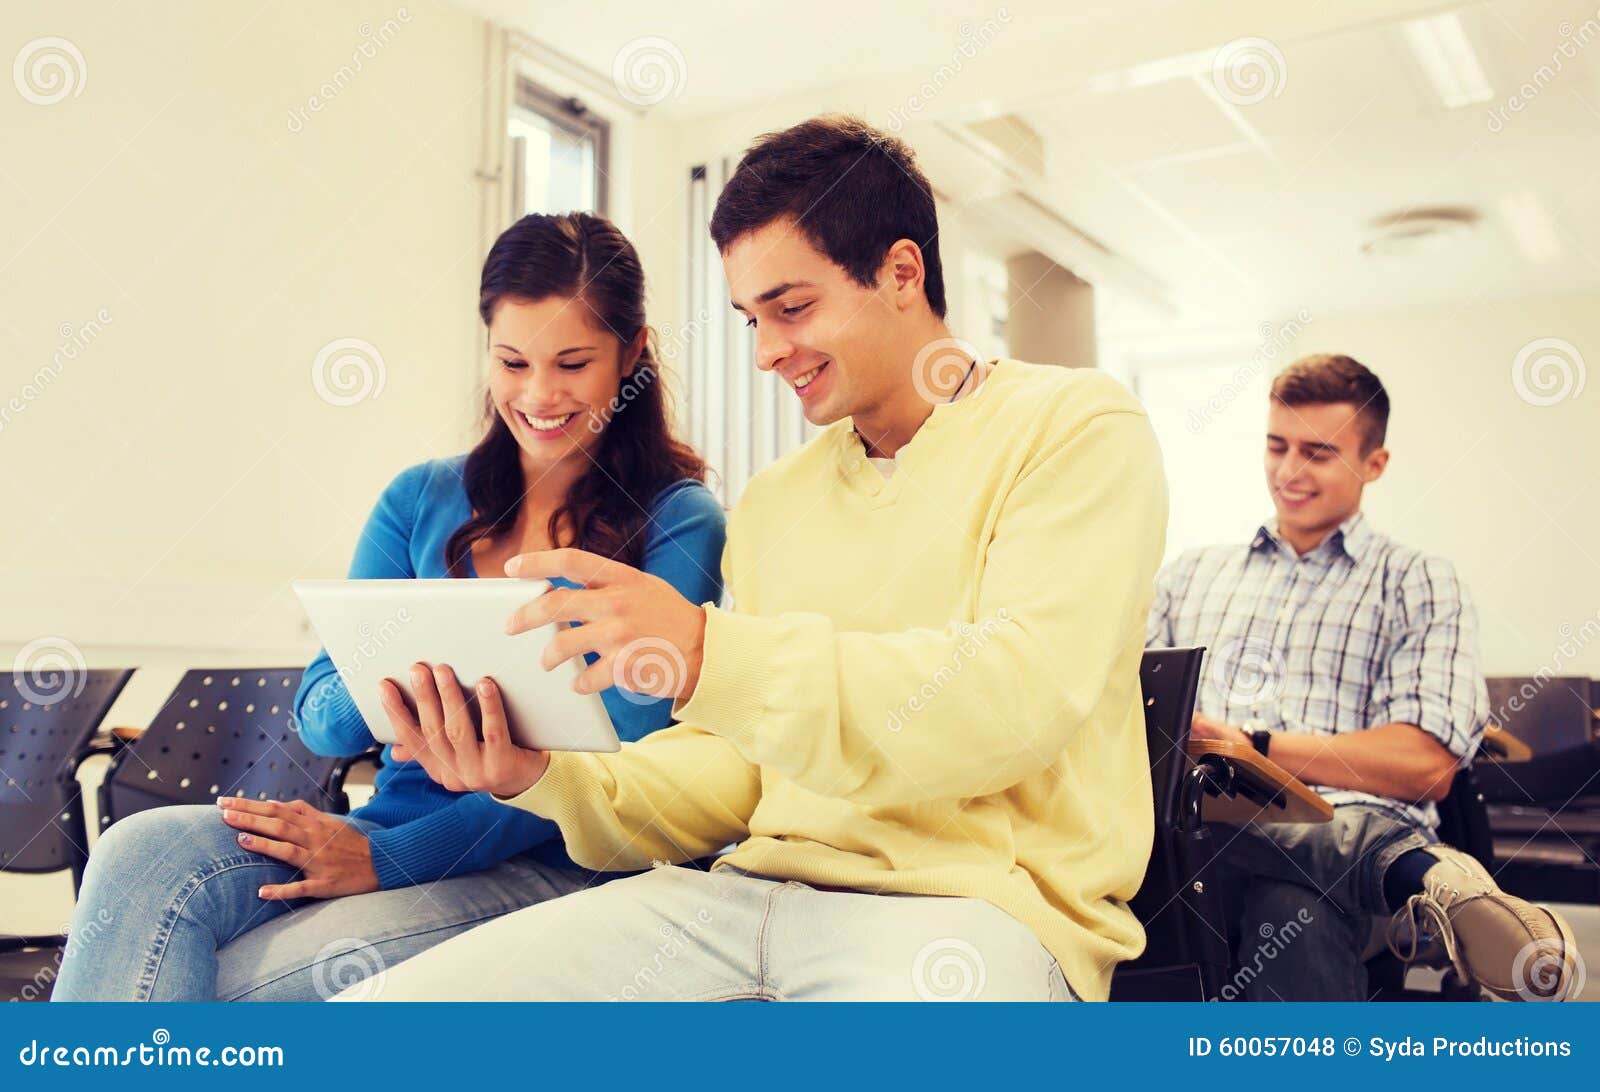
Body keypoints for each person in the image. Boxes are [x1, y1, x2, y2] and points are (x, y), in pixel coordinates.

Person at [340, 115, 1168, 1003]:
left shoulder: (1076, 428)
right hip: (743, 897)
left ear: (900, 273)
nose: (769, 350)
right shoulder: (777, 500)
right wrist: (542, 779)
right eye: (751, 318)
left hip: (974, 914)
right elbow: (731, 772)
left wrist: (708, 651)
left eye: (793, 307)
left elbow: (1011, 702)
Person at [53, 212, 724, 1001]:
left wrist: (391, 862)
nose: (539, 394)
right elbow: (318, 714)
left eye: (572, 363)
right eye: (512, 361)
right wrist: (397, 681)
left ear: (632, 354)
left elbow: (620, 768)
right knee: (140, 856)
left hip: (558, 863)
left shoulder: (679, 522)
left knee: (234, 988)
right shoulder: (419, 500)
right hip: (385, 825)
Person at [1147, 353, 1578, 1002]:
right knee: (1200, 821)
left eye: (1318, 453)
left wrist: (1251, 750)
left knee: (1291, 906)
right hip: (1188, 828)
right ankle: (1420, 875)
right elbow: (1138, 711)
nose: (1289, 471)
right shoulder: (1188, 575)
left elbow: (1423, 763)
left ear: (1374, 464)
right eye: (1276, 445)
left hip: (1331, 826)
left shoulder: (1416, 581)